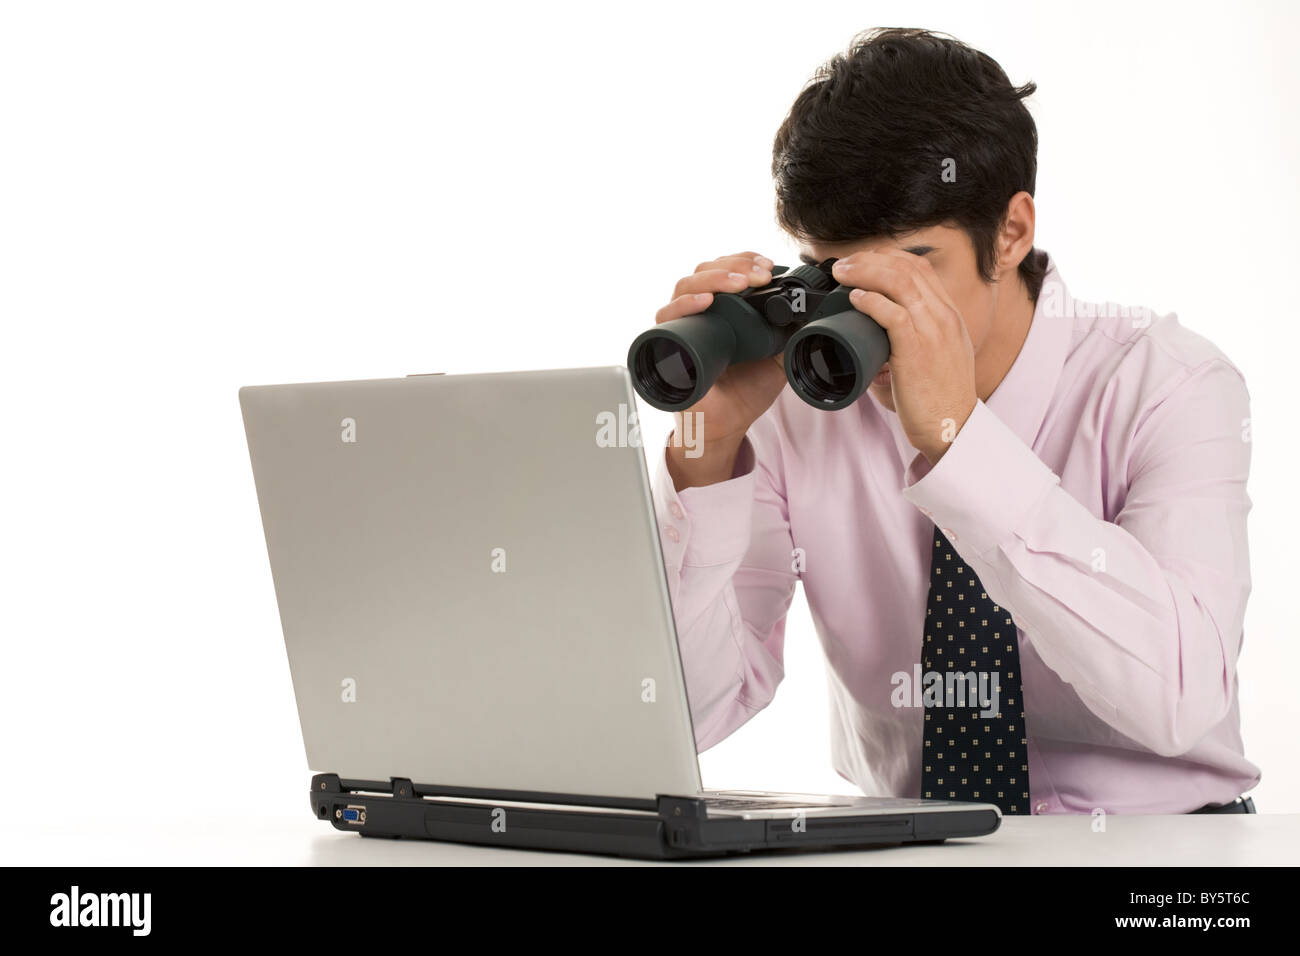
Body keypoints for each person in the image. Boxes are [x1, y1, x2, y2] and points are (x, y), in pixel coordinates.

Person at [649, 27, 1259, 815]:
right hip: (909, 846)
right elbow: (689, 714)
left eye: (906, 268)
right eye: (831, 274)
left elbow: (1178, 696)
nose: (865, 309)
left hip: (1166, 856)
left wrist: (960, 447)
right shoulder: (802, 404)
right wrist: (707, 455)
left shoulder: (1170, 385)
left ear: (1011, 232)